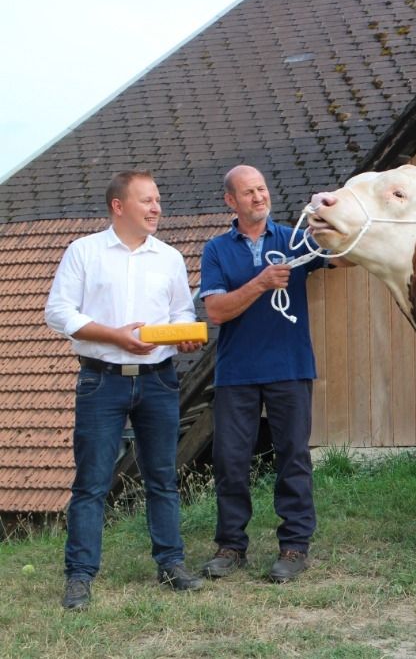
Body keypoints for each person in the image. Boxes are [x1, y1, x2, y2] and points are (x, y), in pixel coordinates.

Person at [45, 170, 205, 611]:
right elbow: (57, 312)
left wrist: (183, 335)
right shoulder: (84, 252)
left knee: (163, 479)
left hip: (158, 379)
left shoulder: (169, 257)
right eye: (147, 201)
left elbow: (180, 312)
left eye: (158, 200)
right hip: (101, 379)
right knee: (92, 483)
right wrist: (116, 336)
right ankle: (79, 578)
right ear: (119, 206)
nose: (157, 208)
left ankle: (171, 564)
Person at [198, 164, 331, 583]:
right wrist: (260, 283)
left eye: (262, 189)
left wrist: (332, 216)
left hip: (290, 367)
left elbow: (344, 259)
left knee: (293, 456)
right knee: (231, 461)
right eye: (248, 192)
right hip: (236, 372)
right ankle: (231, 546)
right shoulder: (216, 249)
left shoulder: (294, 238)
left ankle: (294, 547)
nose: (259, 197)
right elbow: (216, 311)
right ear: (230, 201)